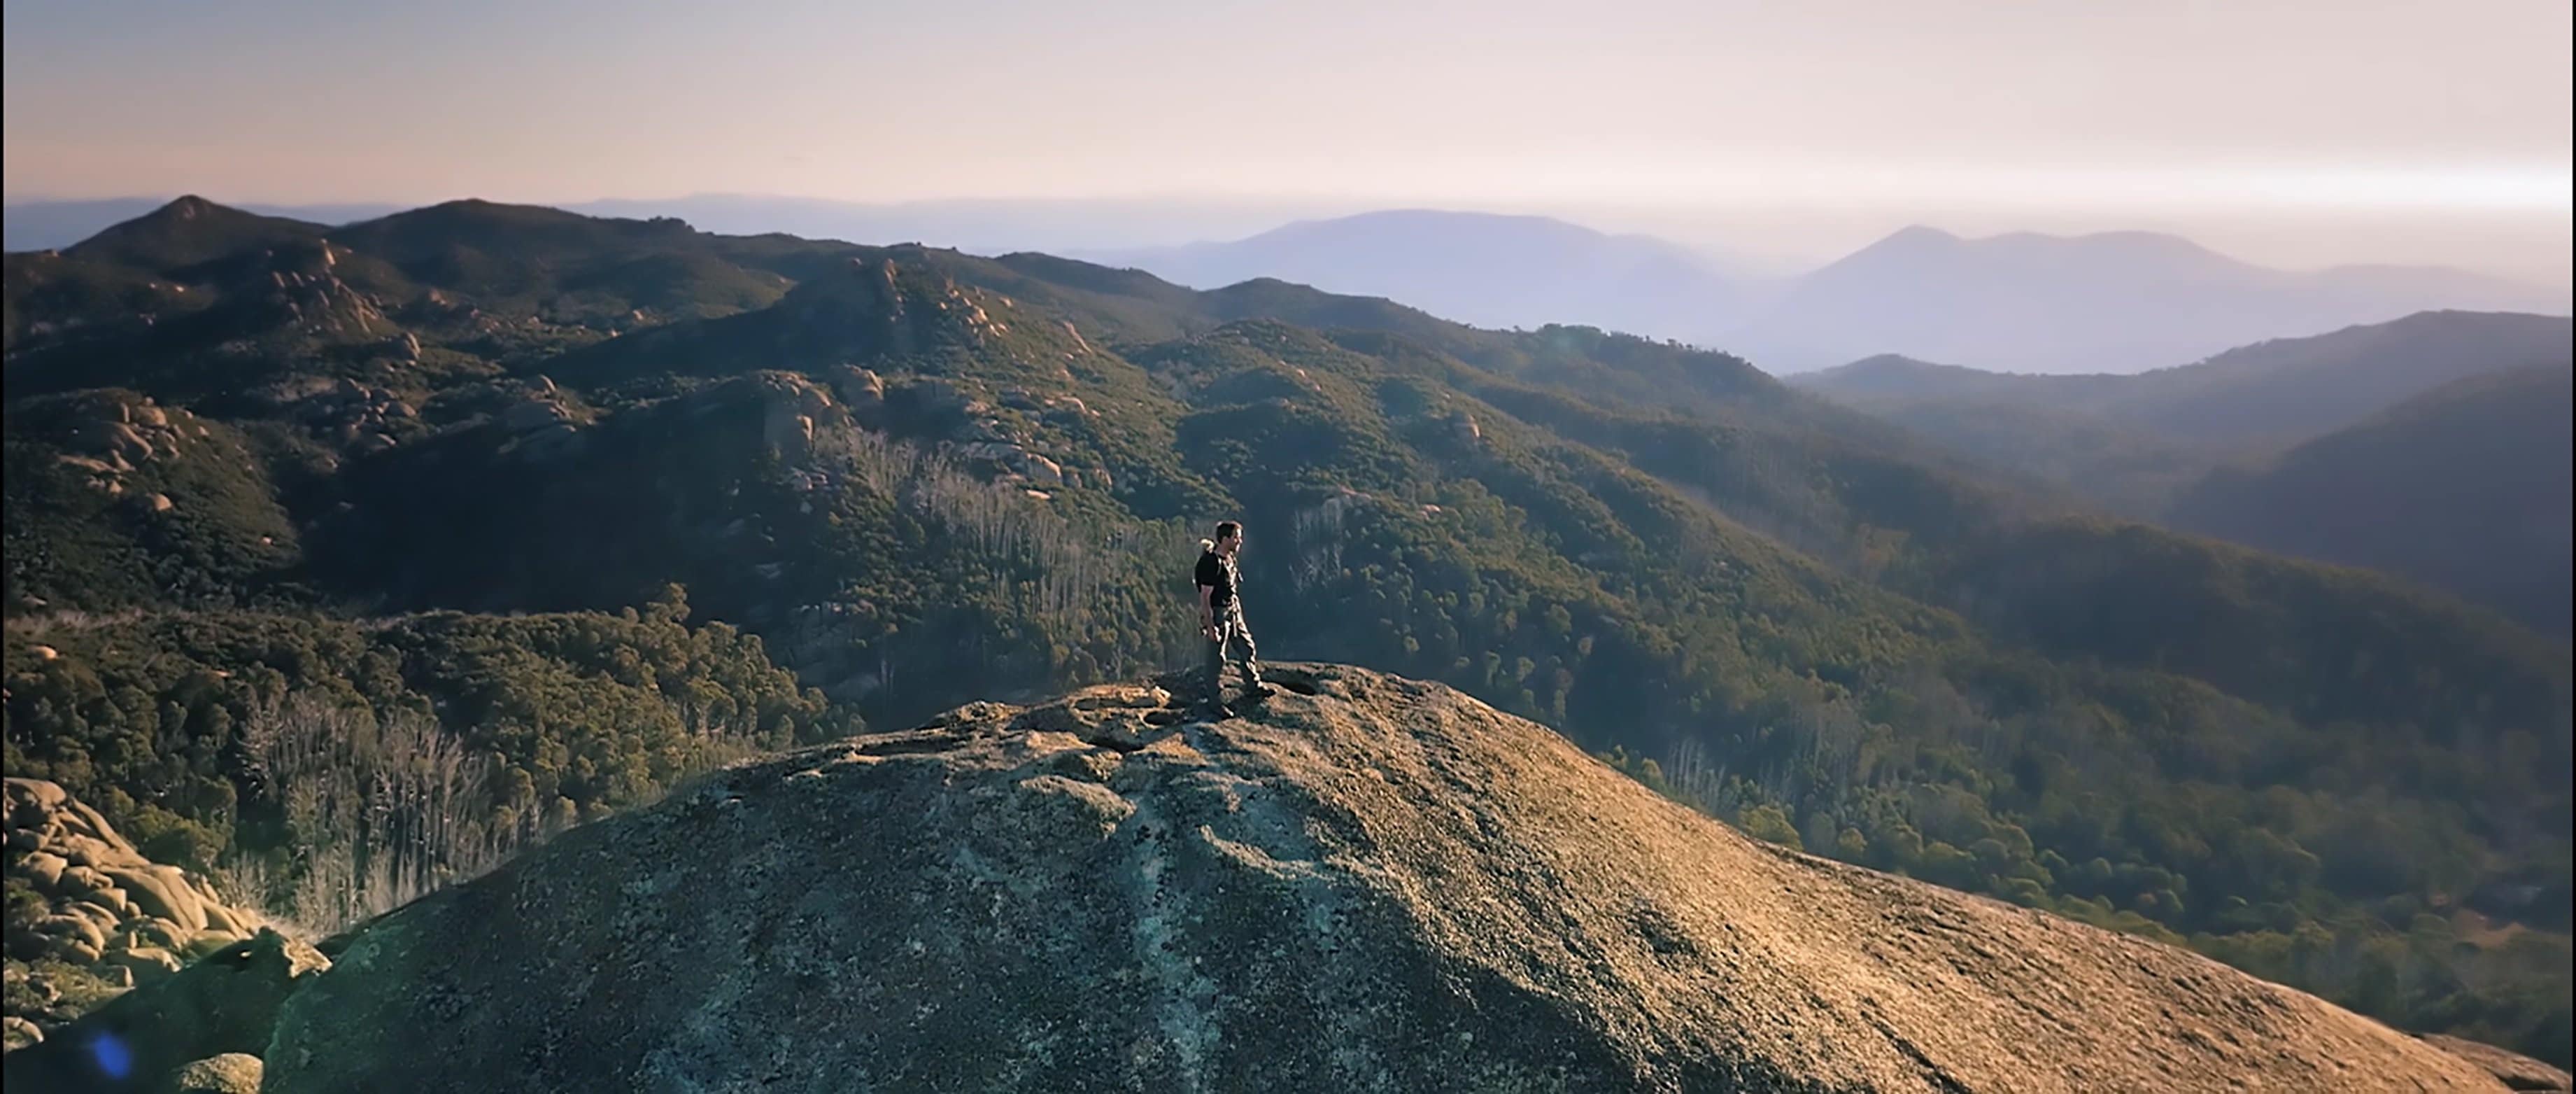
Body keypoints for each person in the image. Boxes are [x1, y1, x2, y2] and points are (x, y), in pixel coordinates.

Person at [1196, 520, 1273, 717]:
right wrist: (1211, 626)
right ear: (1225, 539)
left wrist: (1236, 611)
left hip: (1233, 610)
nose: (1240, 541)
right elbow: (1205, 597)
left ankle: (1253, 685)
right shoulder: (1211, 563)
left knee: (1247, 646)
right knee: (1216, 660)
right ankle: (1215, 702)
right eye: (1236, 537)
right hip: (1218, 613)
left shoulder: (1230, 559)